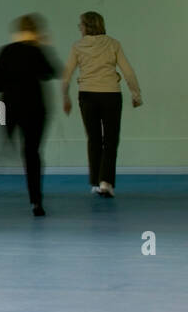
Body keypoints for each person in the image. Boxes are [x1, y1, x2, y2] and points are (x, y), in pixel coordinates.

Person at [59, 11, 142, 198]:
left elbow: (67, 74)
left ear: (87, 26)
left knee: (94, 139)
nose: (79, 28)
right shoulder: (113, 44)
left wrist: (65, 96)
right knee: (111, 140)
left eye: (81, 24)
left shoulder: (78, 46)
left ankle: (96, 181)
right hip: (111, 95)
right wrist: (136, 95)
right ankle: (106, 182)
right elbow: (128, 71)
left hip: (87, 96)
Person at [0, 14, 57, 217]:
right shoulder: (37, 51)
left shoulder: (4, 52)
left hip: (9, 107)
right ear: (36, 31)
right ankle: (36, 200)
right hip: (35, 108)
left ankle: (5, 148)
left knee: (9, 141)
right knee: (32, 153)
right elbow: (50, 72)